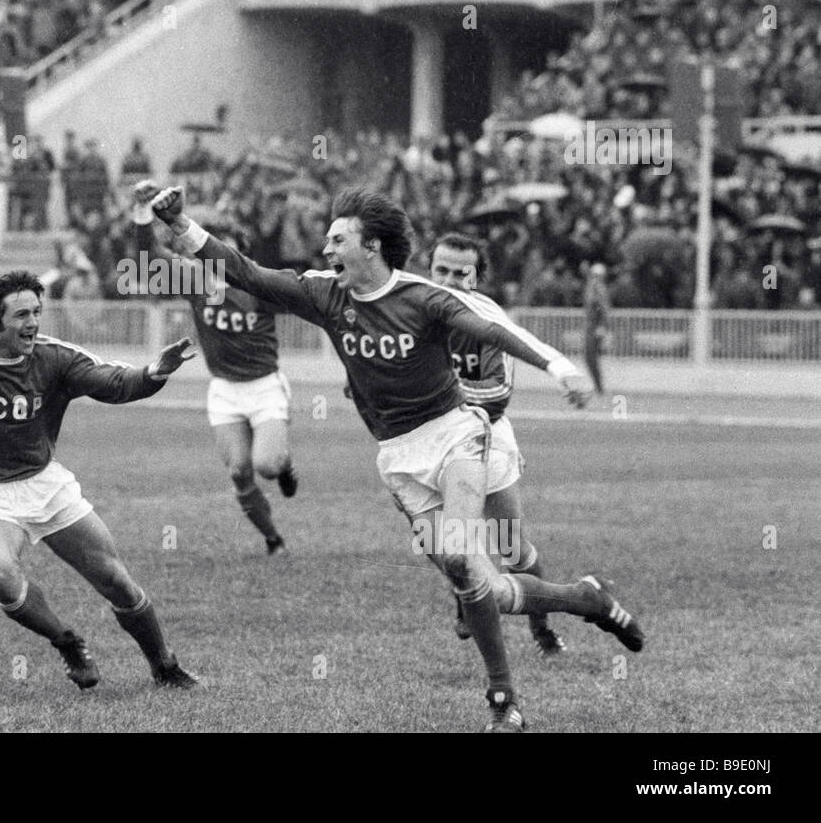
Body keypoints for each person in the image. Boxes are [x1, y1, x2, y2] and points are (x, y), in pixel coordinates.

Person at [150, 185, 644, 732]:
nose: (327, 248)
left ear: (373, 247)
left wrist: (558, 368)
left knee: (460, 556)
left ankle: (503, 702)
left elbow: (496, 330)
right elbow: (244, 272)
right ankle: (585, 599)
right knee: (483, 586)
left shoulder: (423, 299)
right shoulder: (323, 293)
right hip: (398, 459)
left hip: (457, 435)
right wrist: (183, 224)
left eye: (338, 238)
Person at [0, 271, 199, 690]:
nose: (33, 322)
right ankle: (67, 642)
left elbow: (115, 384)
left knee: (116, 580)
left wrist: (156, 370)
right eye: (22, 315)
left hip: (45, 485)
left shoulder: (55, 358)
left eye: (37, 312)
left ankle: (164, 666)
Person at [132, 182, 298, 556]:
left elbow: (311, 306)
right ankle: (273, 540)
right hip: (225, 388)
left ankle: (284, 465)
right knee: (240, 472)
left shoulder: (259, 285)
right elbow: (147, 256)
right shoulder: (194, 279)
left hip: (264, 385)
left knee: (267, 466)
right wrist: (142, 212)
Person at [429, 233, 564, 657]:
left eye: (461, 273)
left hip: (488, 433)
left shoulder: (487, 321)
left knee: (511, 545)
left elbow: (499, 391)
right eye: (441, 270)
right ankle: (465, 599)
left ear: (478, 277)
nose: (449, 280)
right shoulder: (411, 312)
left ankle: (542, 628)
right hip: (430, 438)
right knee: (450, 537)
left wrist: (441, 389)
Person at [583, 262, 610, 394]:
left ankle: (599, 387)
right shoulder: (592, 289)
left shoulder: (599, 290)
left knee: (591, 357)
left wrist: (602, 327)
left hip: (595, 327)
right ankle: (597, 385)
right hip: (591, 327)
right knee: (589, 357)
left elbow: (604, 310)